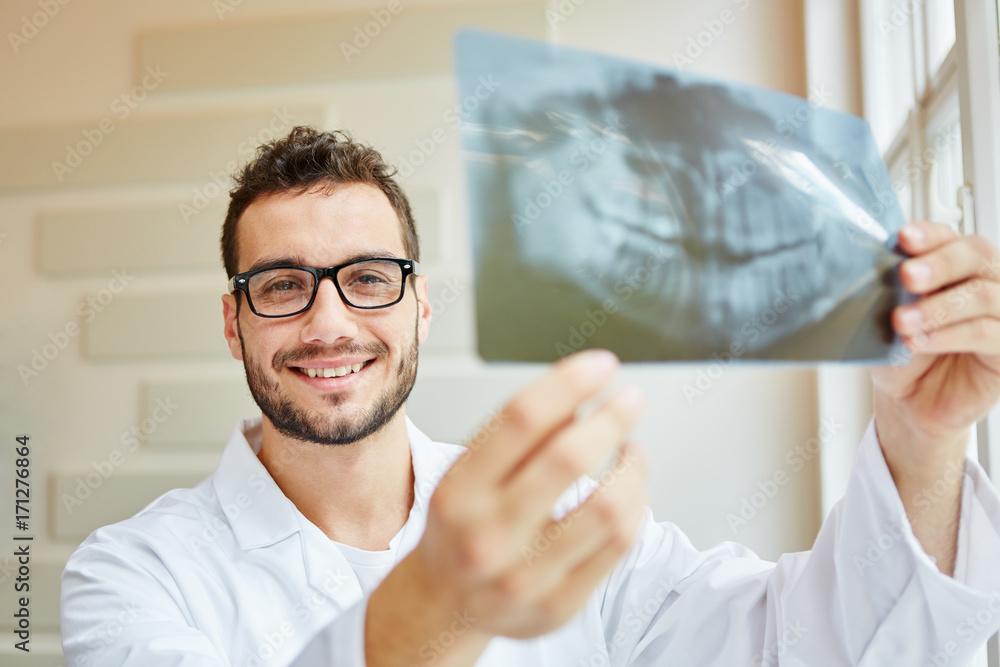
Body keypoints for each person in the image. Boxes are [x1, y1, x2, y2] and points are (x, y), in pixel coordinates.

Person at [61, 126, 1000, 666]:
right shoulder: (131, 575)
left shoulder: (564, 516)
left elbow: (804, 648)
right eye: (280, 285)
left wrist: (924, 441)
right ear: (234, 324)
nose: (328, 323)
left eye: (369, 279)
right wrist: (437, 607)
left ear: (421, 306)